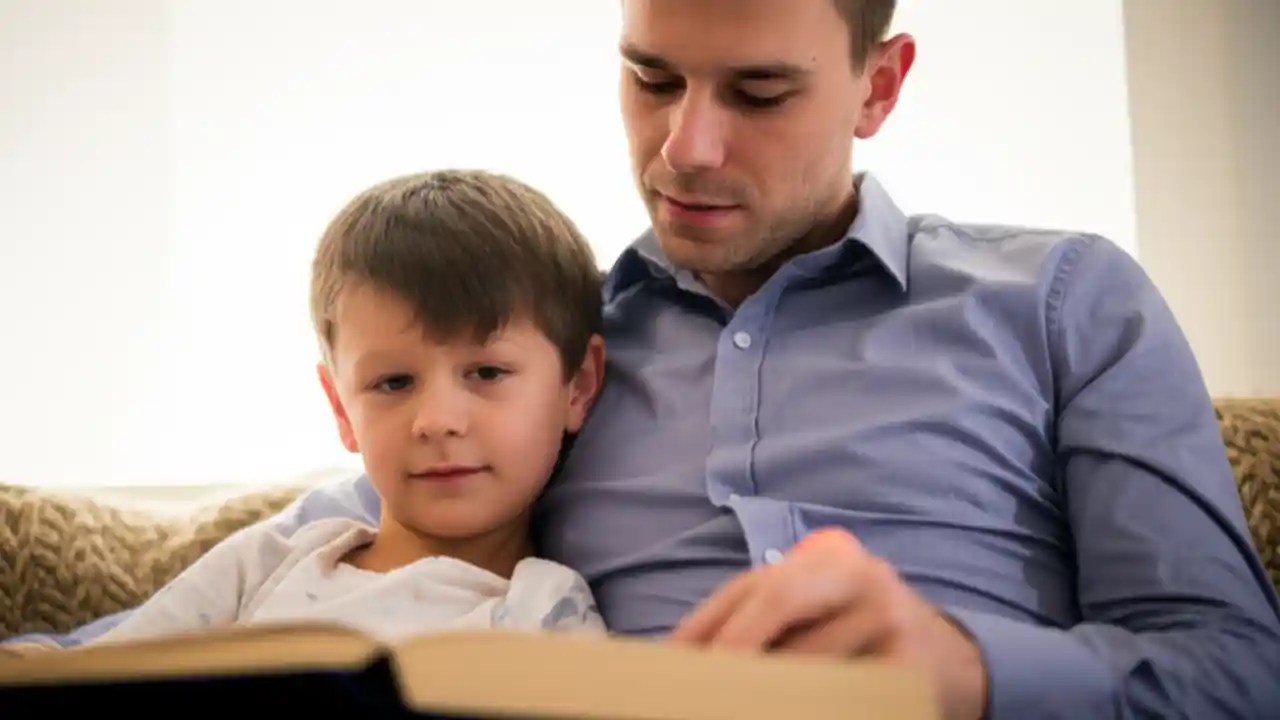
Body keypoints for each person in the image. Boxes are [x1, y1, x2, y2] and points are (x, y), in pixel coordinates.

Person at [10, 0, 1280, 717]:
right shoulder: (536, 356)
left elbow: (1235, 674)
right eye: (649, 78)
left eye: (760, 93)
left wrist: (965, 667)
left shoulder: (1061, 301)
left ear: (877, 85)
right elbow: (339, 559)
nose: (686, 150)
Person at [10, 169, 609, 650]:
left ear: (577, 387)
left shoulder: (544, 605)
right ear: (341, 410)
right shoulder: (273, 560)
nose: (437, 420)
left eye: (486, 373)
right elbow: (105, 672)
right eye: (394, 382)